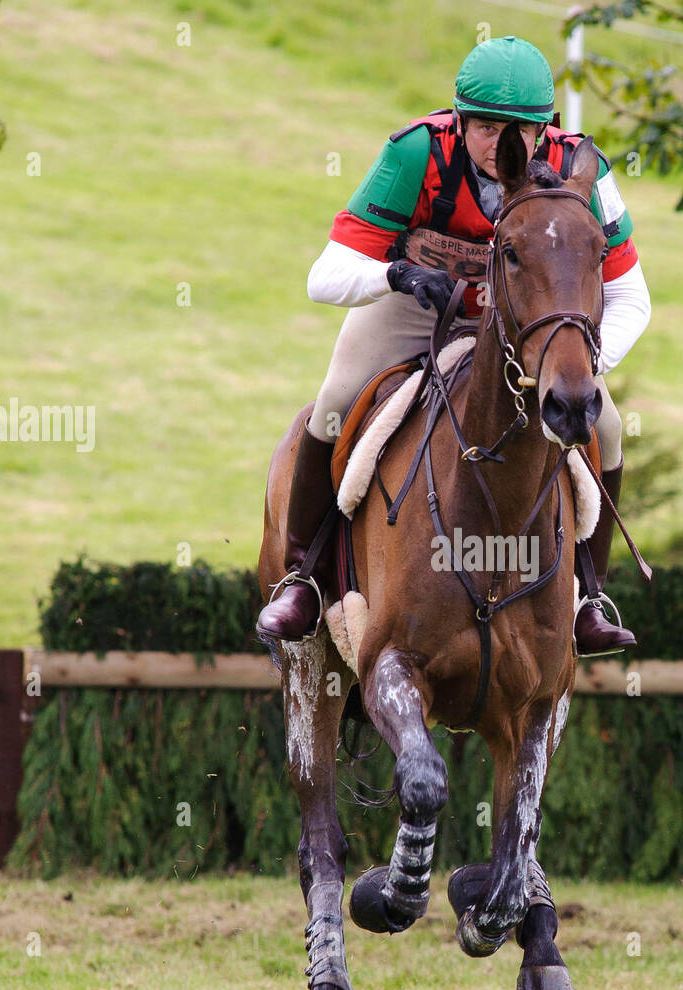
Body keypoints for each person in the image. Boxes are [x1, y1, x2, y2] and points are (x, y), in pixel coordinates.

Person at [258, 35, 652, 655]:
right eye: (488, 128)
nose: (503, 145)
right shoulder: (418, 152)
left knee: (605, 428)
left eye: (520, 130)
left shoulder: (585, 173)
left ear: (544, 131)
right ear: (459, 122)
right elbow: (324, 276)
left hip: (534, 333)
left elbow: (632, 297)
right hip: (417, 310)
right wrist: (396, 275)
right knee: (334, 403)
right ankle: (303, 577)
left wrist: (580, 360)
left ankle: (587, 595)